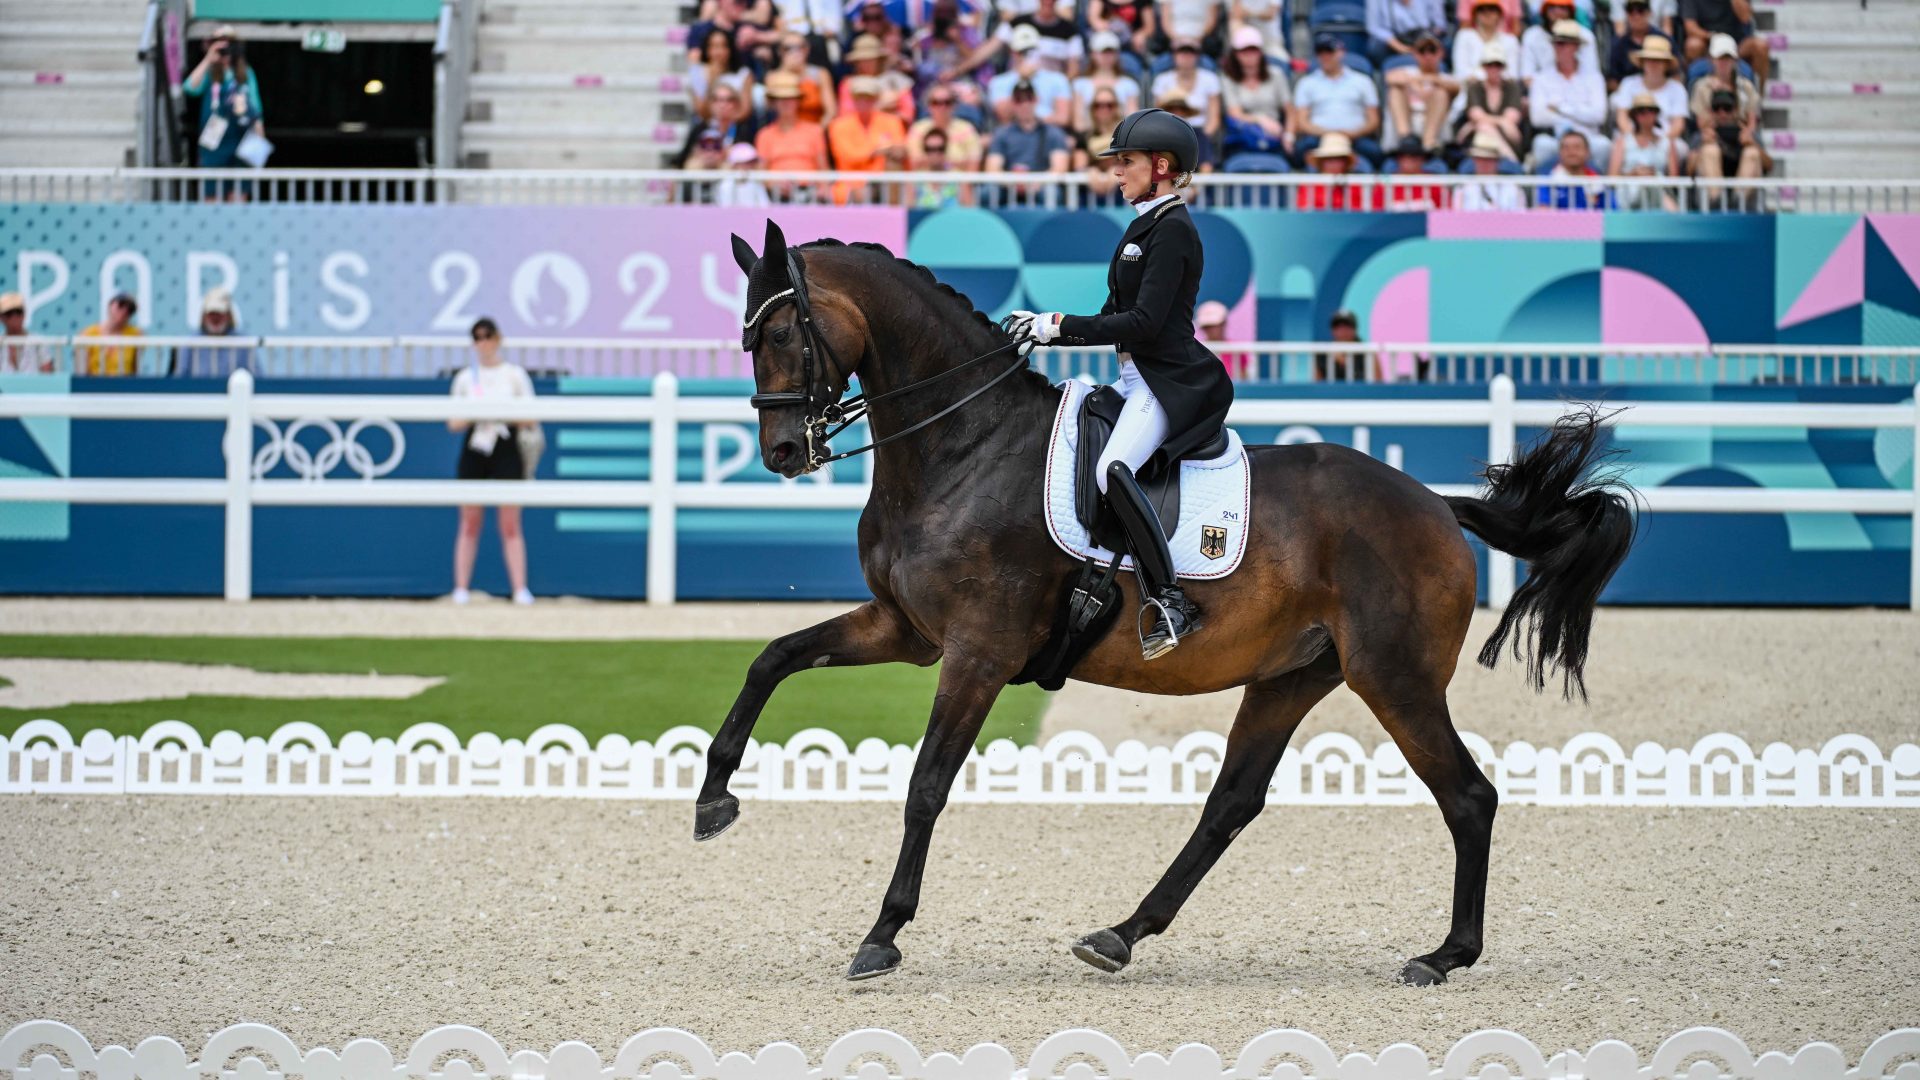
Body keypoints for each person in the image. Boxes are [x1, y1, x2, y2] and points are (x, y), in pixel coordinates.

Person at [1004, 109, 1233, 660]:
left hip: (1168, 380)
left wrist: (1057, 327)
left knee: (1113, 469)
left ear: (1161, 165)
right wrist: (1045, 335)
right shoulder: (1142, 226)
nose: (1117, 171)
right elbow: (1113, 312)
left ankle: (1171, 599)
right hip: (1135, 376)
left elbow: (1146, 325)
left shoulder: (1174, 229)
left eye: (1125, 161)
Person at [450, 317, 536, 607]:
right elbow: (453, 422)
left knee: (510, 523)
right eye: (477, 337)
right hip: (476, 446)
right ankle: (461, 588)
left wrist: (500, 412)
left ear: (498, 339)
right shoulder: (465, 378)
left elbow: (530, 417)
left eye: (488, 336)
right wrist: (478, 412)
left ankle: (520, 589)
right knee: (469, 522)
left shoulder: (514, 375)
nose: (483, 342)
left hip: (505, 446)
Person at [182, 26, 266, 201]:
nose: (225, 49)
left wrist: (260, 139)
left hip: (241, 139)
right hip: (214, 142)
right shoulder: (210, 73)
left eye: (229, 45)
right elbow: (190, 87)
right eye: (220, 45)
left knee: (238, 195)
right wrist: (209, 59)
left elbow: (256, 110)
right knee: (211, 193)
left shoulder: (245, 74)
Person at [1290, 34, 1383, 168]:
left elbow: (1374, 120)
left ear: (1341, 53)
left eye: (1329, 52)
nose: (1325, 57)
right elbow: (1302, 122)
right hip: (1318, 137)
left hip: (1355, 138)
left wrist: (1353, 133)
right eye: (1321, 53)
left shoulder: (1362, 81)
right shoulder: (1306, 83)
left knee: (1375, 153)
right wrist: (1326, 133)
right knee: (1299, 152)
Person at [1528, 21, 1610, 167]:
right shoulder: (1541, 78)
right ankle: (1544, 190)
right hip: (1557, 139)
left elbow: (1599, 115)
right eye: (1557, 44)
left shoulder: (1594, 77)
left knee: (1603, 145)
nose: (1561, 48)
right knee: (1541, 144)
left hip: (1588, 138)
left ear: (1576, 47)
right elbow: (1537, 117)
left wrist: (1561, 109)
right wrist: (1580, 113)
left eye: (1565, 44)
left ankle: (1598, 188)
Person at [828, 76, 909, 201]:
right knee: (860, 192)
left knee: (894, 166)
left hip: (883, 184)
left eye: (869, 98)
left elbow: (899, 149)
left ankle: (892, 213)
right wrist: (876, 151)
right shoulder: (838, 126)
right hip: (852, 185)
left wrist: (880, 151)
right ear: (853, 100)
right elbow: (847, 156)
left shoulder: (892, 121)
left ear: (876, 100)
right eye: (860, 98)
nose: (864, 102)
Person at [755, 72, 831, 198]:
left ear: (798, 101)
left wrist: (822, 190)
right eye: (781, 99)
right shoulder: (764, 135)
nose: (786, 103)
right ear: (774, 103)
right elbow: (761, 174)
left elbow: (824, 169)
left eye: (790, 99)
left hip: (810, 195)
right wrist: (775, 184)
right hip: (775, 196)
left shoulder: (815, 131)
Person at [1220, 25, 1290, 161]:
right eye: (1243, 51)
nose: (1249, 55)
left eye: (1253, 50)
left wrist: (1289, 135)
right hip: (1242, 137)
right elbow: (1234, 113)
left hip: (1274, 135)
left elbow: (1290, 110)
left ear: (1260, 52)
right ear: (1235, 54)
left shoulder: (1276, 74)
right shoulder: (1228, 78)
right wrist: (1261, 119)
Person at [1385, 31, 1458, 152]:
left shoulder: (1447, 78)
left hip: (1435, 135)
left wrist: (1429, 80)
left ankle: (1428, 142)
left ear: (1441, 53)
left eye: (1432, 50)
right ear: (1414, 54)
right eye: (1422, 51)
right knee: (1395, 91)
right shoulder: (1406, 71)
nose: (1427, 55)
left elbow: (1455, 87)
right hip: (1407, 124)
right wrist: (1415, 84)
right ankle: (1406, 139)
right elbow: (1389, 78)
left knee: (1440, 93)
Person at [987, 26, 1074, 126]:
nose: (1027, 55)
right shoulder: (998, 82)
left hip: (1047, 134)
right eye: (1021, 51)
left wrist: (1031, 122)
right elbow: (1004, 117)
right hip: (1014, 136)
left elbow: (1063, 119)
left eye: (1031, 50)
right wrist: (1021, 79)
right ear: (1013, 52)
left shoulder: (1058, 79)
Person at [1453, 40, 1525, 161]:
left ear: (1503, 67)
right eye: (1489, 65)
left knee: (1484, 126)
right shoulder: (1475, 87)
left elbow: (1512, 118)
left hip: (1507, 137)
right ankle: (1512, 161)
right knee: (1484, 128)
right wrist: (1501, 122)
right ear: (1483, 66)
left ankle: (1509, 160)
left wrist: (1475, 124)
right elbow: (1476, 115)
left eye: (1497, 65)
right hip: (1479, 141)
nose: (1493, 69)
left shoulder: (1512, 87)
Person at [985, 79, 1073, 177]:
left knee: (1051, 192)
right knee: (988, 191)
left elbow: (1059, 169)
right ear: (1012, 102)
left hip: (1042, 189)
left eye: (1029, 98)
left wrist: (1035, 183)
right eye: (1019, 100)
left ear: (1036, 100)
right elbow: (992, 169)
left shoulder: (1052, 133)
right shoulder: (1002, 133)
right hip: (1009, 189)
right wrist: (1013, 181)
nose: (1025, 104)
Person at [1608, 91, 1680, 209]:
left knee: (1671, 207)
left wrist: (1654, 176)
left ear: (1656, 114)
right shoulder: (1622, 141)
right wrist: (1633, 174)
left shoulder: (1667, 143)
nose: (1646, 115)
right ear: (1635, 116)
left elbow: (1674, 180)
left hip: (1658, 191)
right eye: (1641, 112)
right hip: (1628, 192)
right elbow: (1612, 177)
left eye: (1650, 111)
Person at [172, 287, 254, 377]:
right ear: (204, 315)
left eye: (220, 313)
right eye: (212, 314)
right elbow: (180, 378)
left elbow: (258, 377)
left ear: (228, 315)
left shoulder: (244, 343)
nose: (215, 318)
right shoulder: (190, 343)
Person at [1072, 31, 1144, 132]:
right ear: (1093, 54)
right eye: (1103, 52)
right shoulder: (1080, 84)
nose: (1107, 56)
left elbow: (1132, 122)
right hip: (1089, 137)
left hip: (1120, 139)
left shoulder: (1129, 84)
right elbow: (1078, 123)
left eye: (1111, 52)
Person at [1679, 0, 1767, 81]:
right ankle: (1694, 89)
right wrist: (1712, 36)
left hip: (1736, 44)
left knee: (1760, 46)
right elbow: (1690, 27)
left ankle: (1757, 94)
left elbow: (1746, 18)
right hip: (1707, 43)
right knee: (1693, 45)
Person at [838, 34, 916, 123]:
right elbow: (845, 115)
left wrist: (890, 116)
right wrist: (878, 107)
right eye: (862, 59)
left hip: (891, 131)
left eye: (871, 59)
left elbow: (908, 114)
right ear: (857, 62)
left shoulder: (897, 81)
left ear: (879, 59)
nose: (867, 63)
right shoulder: (848, 84)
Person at [1517, 0, 1598, 86]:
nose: (1557, 12)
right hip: (1543, 94)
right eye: (1552, 7)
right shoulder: (1532, 35)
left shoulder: (1586, 36)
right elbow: (1527, 77)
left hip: (1580, 93)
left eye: (1562, 8)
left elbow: (1592, 76)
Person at [1297, 133, 1383, 210]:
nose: (1334, 164)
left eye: (1339, 159)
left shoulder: (1357, 185)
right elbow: (1304, 213)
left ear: (1346, 162)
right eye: (1329, 159)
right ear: (1321, 162)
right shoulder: (1309, 185)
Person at [771, 32, 837, 125]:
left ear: (807, 49)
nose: (794, 52)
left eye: (800, 47)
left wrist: (816, 133)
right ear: (780, 52)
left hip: (816, 129)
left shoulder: (821, 74)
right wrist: (786, 70)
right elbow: (773, 110)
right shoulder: (773, 76)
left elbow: (831, 112)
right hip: (784, 133)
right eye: (787, 48)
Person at [909, 85, 983, 166]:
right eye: (936, 102)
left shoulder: (966, 129)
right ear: (928, 106)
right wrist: (956, 162)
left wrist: (941, 162)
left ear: (954, 105)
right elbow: (914, 162)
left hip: (958, 178)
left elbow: (973, 164)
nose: (942, 107)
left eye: (947, 102)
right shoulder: (918, 129)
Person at [1538, 131, 1614, 208]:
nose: (1571, 152)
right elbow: (1543, 212)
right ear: (1559, 153)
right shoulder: (1547, 182)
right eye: (1566, 148)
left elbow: (1613, 213)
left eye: (1577, 147)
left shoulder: (1599, 184)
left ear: (1588, 152)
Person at [1607, 0, 1673, 88]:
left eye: (1640, 10)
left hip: (1662, 93)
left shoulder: (1663, 40)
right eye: (1630, 10)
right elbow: (1613, 80)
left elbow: (1675, 74)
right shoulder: (1619, 44)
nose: (1636, 15)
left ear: (1649, 13)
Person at [1452, 0, 1520, 81]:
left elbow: (1512, 75)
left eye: (1492, 9)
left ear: (1499, 15)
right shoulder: (1464, 36)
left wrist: (1479, 76)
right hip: (1469, 90)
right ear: (1475, 15)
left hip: (1502, 91)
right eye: (1481, 10)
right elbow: (1461, 72)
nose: (1487, 13)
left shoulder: (1511, 41)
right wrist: (1492, 75)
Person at [78, 292, 144, 376]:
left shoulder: (136, 335)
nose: (124, 311)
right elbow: (81, 372)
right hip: (95, 386)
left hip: (124, 386)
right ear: (110, 305)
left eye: (130, 310)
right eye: (121, 305)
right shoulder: (88, 333)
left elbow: (135, 369)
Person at [1366, 0, 1448, 67]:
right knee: (1376, 46)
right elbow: (1374, 27)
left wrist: (1428, 43)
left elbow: (1439, 25)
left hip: (1426, 39)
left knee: (1447, 43)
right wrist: (1398, 46)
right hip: (1393, 42)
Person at [1455, 130, 1525, 209]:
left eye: (1489, 159)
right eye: (1480, 159)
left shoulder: (1512, 188)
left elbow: (1519, 216)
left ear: (1497, 161)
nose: (1484, 163)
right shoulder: (1463, 188)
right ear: (1474, 160)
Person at [1383, 135, 1448, 208]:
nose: (1408, 159)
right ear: (1398, 159)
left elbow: (1446, 214)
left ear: (1423, 159)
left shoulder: (1435, 184)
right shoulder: (1384, 185)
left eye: (1414, 155)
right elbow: (1375, 214)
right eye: (1403, 155)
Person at [0, 293, 55, 374]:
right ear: (1, 317)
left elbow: (48, 374)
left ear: (24, 314)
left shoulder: (38, 342)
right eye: (9, 313)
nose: (14, 317)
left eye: (18, 312)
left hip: (35, 386)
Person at [1314, 309, 1367, 381]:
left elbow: (1377, 386)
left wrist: (1346, 363)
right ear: (1332, 330)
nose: (1343, 331)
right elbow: (1316, 386)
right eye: (1338, 327)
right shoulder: (1322, 355)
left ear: (1355, 329)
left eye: (1347, 326)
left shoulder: (1367, 353)